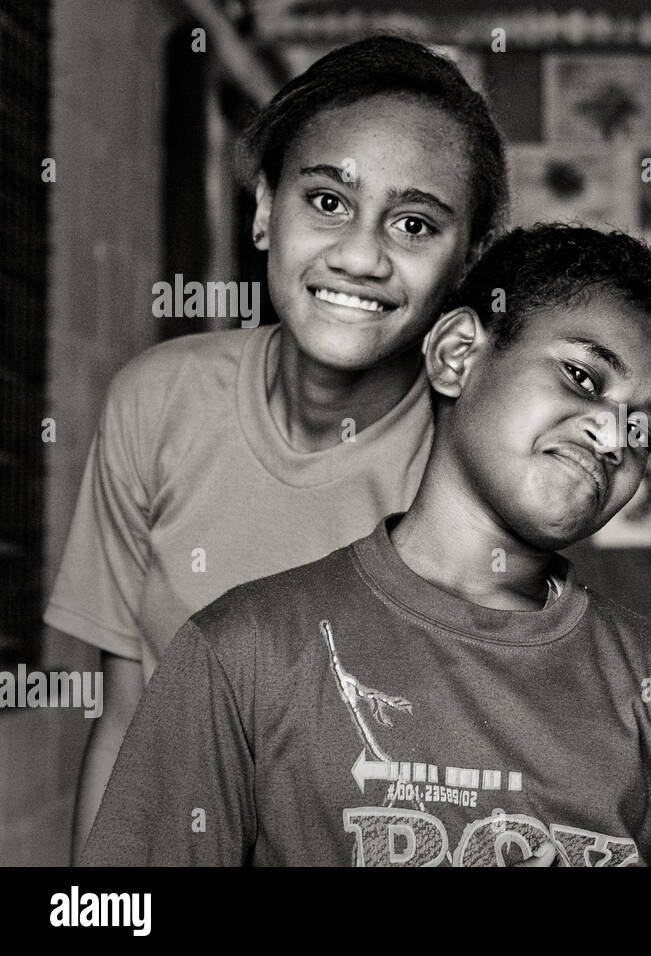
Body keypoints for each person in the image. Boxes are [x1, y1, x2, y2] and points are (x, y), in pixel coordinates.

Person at [80, 224, 651, 867]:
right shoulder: (248, 651)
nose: (613, 435)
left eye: (645, 427)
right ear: (457, 354)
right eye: (583, 378)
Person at [45, 34, 508, 862]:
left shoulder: (470, 468)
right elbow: (123, 726)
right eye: (327, 201)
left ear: (462, 266)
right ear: (263, 210)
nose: (361, 255)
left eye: (413, 224)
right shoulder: (157, 402)